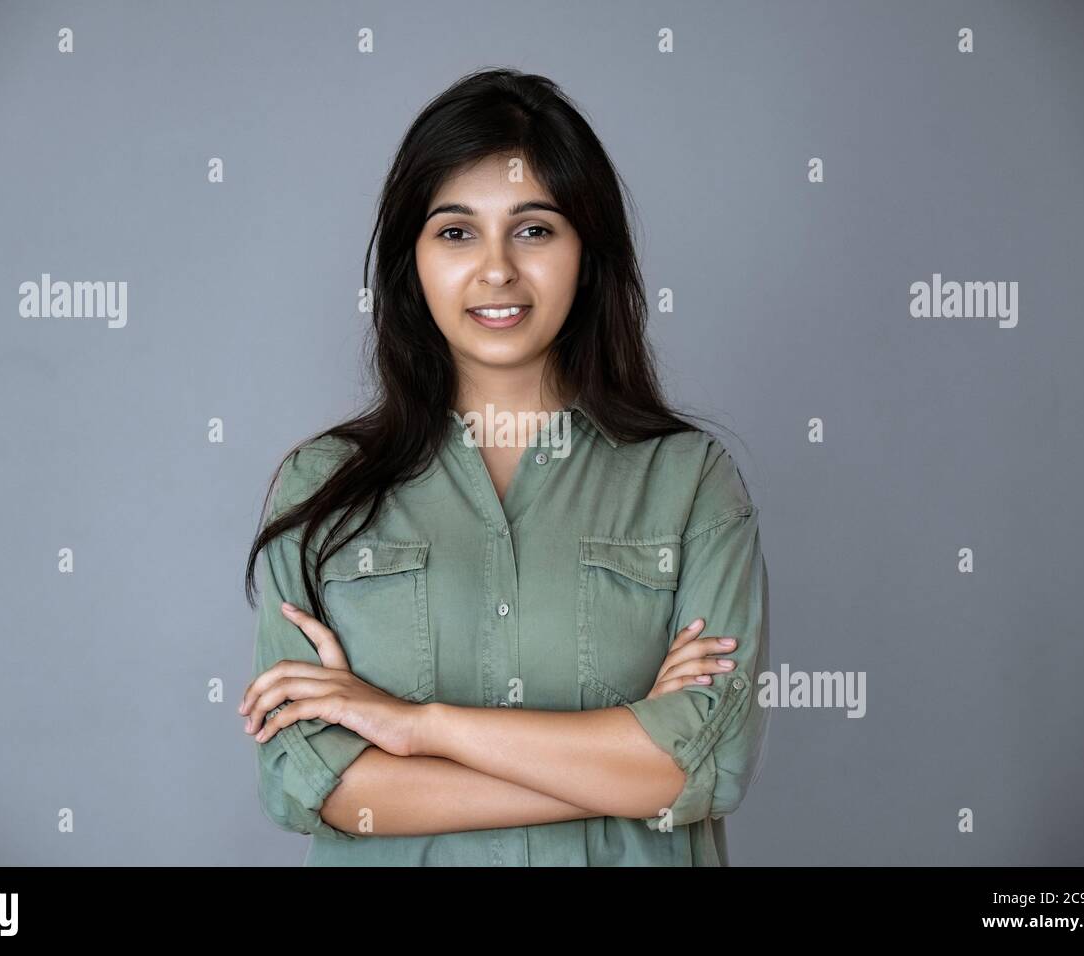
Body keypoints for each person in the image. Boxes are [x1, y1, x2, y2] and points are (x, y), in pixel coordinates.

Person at [239, 68, 770, 866]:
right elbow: (317, 787)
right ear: (409, 262)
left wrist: (417, 729)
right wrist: (631, 768)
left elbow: (712, 765)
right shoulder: (319, 492)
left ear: (587, 252)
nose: (496, 270)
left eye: (534, 229)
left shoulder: (690, 482)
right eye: (456, 231)